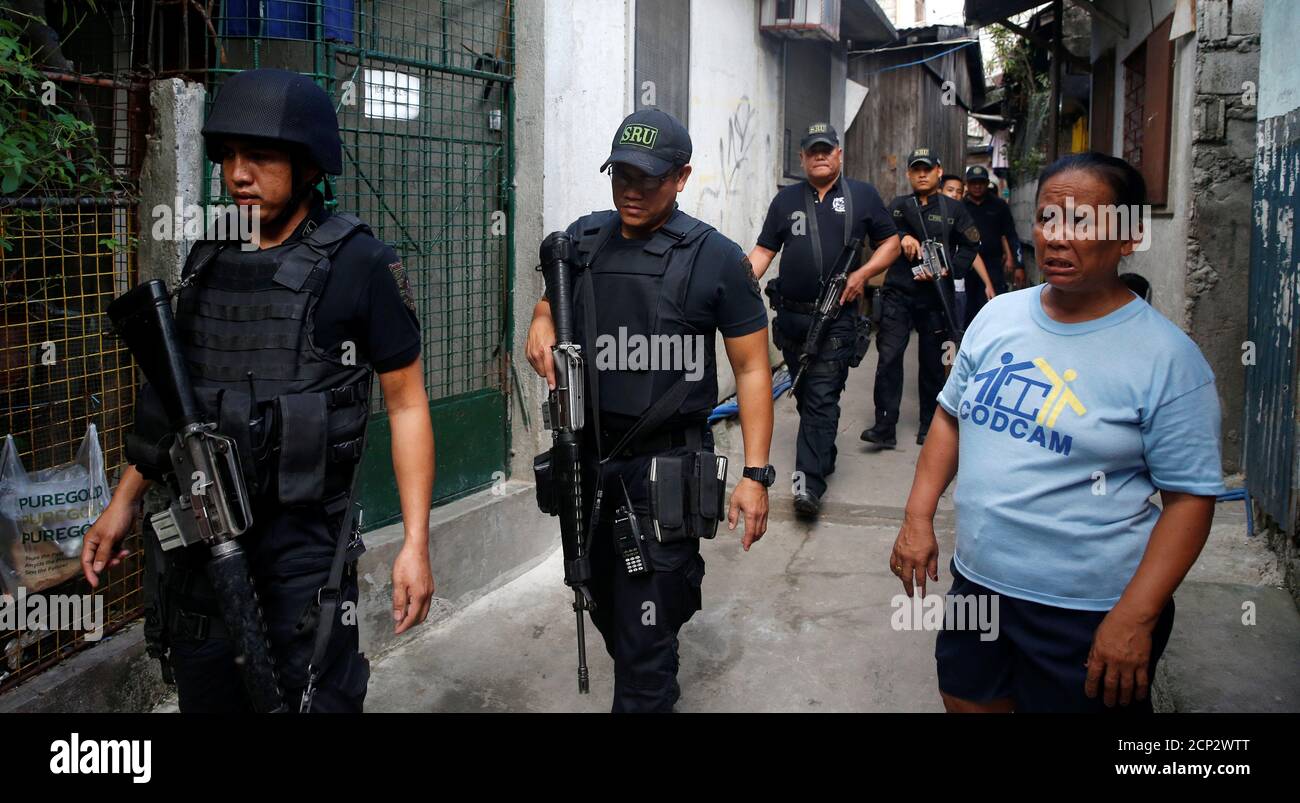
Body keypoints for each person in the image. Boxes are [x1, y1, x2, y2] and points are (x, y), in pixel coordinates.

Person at [82, 68, 436, 713]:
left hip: (302, 554)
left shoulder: (360, 263)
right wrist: (122, 502)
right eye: (228, 157)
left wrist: (415, 543)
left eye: (261, 157)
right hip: (199, 543)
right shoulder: (211, 251)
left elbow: (407, 404)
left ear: (306, 166)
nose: (238, 174)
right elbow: (177, 403)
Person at [888, 152, 1224, 713]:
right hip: (981, 584)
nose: (1057, 237)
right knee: (965, 696)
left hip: (1088, 606)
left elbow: (1189, 499)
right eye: (1047, 218)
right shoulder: (997, 319)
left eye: (1082, 221)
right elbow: (951, 415)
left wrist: (1135, 616)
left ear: (1129, 236)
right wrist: (917, 517)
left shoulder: (1168, 361)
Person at [526, 109, 774, 712]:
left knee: (642, 641)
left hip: (664, 466)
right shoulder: (583, 240)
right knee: (604, 602)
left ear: (682, 177)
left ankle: (652, 668)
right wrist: (539, 323)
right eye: (622, 177)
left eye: (649, 179)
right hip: (588, 460)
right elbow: (548, 301)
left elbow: (752, 368)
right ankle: (653, 646)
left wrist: (756, 474)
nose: (632, 191)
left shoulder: (717, 258)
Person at [748, 122, 900, 516]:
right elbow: (764, 251)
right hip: (792, 323)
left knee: (820, 398)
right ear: (801, 158)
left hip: (837, 322)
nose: (819, 155)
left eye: (826, 149)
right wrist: (735, 286)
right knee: (804, 397)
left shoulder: (862, 196)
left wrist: (862, 275)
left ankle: (807, 485)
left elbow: (891, 242)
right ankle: (822, 454)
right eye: (812, 150)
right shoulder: (785, 201)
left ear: (839, 154)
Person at [863, 148, 980, 448]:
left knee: (932, 363)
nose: (922, 174)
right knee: (888, 358)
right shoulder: (899, 206)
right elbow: (879, 235)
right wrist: (901, 237)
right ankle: (884, 426)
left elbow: (971, 243)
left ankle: (930, 425)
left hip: (935, 297)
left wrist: (947, 269)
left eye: (927, 168)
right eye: (916, 169)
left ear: (939, 171)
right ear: (908, 174)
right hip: (898, 294)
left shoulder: (953, 209)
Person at [961, 164, 1022, 326]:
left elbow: (1010, 234)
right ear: (967, 184)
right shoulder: (960, 207)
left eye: (981, 182)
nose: (977, 186)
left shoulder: (999, 206)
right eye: (973, 182)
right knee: (968, 307)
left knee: (994, 304)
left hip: (994, 264)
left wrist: (1017, 263)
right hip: (966, 265)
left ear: (987, 183)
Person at [939, 174, 996, 330]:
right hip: (932, 288)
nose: (954, 194)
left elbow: (973, 251)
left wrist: (988, 284)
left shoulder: (963, 219)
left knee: (954, 334)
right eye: (950, 190)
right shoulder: (930, 218)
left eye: (959, 191)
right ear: (939, 190)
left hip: (956, 288)